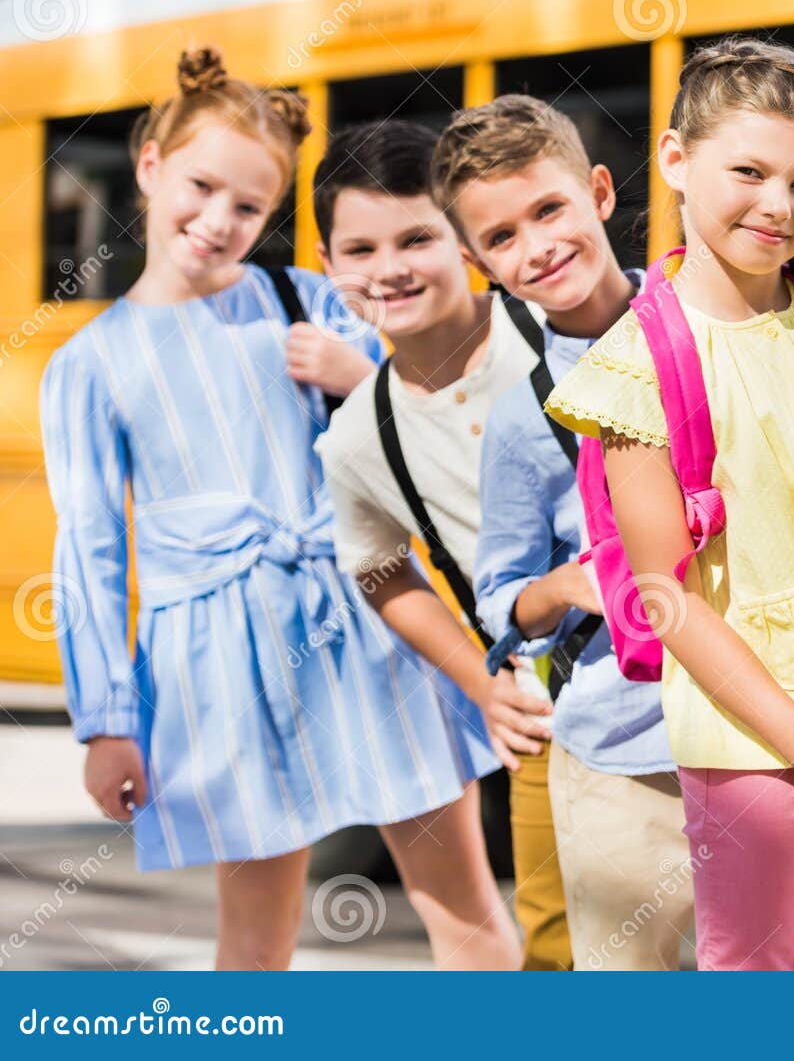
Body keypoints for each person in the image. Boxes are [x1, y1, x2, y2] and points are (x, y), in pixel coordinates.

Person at [39, 48, 500, 970]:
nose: (218, 221)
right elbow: (89, 551)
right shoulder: (88, 364)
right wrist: (106, 723)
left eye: (249, 207)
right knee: (254, 937)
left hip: (368, 626)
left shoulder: (314, 302)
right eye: (202, 187)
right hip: (218, 670)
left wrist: (361, 376)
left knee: (465, 910)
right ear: (150, 165)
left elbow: (434, 439)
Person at [544, 39, 794, 971]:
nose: (776, 205)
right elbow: (663, 596)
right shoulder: (634, 368)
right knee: (749, 967)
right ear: (674, 160)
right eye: (747, 171)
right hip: (751, 735)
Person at [429, 94, 691, 969]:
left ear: (602, 195)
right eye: (501, 238)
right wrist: (571, 586)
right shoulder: (521, 419)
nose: (537, 246)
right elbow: (498, 598)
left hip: (768, 725)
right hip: (623, 738)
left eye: (550, 209)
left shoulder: (714, 327)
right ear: (478, 263)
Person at [311, 118, 574, 970]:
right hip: (549, 712)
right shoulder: (358, 438)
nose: (389, 269)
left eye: (417, 237)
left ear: (462, 239)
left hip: (689, 676)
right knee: (561, 948)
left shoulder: (554, 327)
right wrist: (482, 684)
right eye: (360, 248)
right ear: (327, 266)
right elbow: (379, 568)